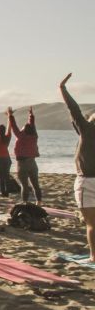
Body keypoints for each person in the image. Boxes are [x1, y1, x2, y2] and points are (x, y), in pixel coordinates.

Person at [60, 73, 95, 262]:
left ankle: (93, 257)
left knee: (91, 224)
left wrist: (63, 89)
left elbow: (73, 109)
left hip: (87, 182)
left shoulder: (87, 129)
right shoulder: (85, 131)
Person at [8, 106, 42, 204]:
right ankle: (39, 202)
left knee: (24, 185)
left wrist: (10, 116)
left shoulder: (21, 136)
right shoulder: (34, 136)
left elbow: (14, 126)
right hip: (32, 163)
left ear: (23, 130)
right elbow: (32, 125)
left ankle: (25, 202)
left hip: (22, 164)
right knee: (36, 185)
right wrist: (31, 115)